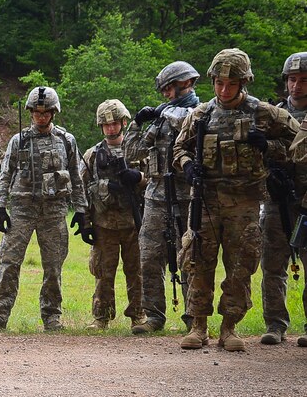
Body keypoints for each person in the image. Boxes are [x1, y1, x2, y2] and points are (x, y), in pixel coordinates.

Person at [173, 48, 299, 352]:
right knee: (198, 262)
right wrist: (188, 166)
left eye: (231, 84)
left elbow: (298, 143)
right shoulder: (201, 114)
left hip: (244, 203)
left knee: (241, 265)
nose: (224, 90)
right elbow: (178, 149)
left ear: (244, 83)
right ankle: (199, 326)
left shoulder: (263, 113)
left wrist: (268, 146)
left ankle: (229, 327)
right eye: (219, 83)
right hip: (206, 201)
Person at [0, 87, 88, 332]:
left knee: (53, 266)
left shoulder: (66, 140)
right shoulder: (18, 140)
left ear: (53, 113)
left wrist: (81, 209)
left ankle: (52, 316)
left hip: (54, 209)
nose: (41, 117)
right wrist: (0, 206)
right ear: (30, 112)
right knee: (9, 263)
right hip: (22, 208)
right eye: (37, 113)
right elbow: (5, 174)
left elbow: (76, 175)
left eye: (46, 113)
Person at [124, 61, 201, 334]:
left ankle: (194, 317)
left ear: (186, 83)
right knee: (148, 256)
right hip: (156, 196)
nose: (166, 94)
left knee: (189, 257)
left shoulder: (199, 113)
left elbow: (187, 123)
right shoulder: (161, 117)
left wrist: (165, 112)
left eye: (170, 88)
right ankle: (154, 315)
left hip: (187, 197)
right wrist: (137, 122)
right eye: (164, 89)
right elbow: (132, 152)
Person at [81, 99, 146, 330]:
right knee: (103, 272)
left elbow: (154, 181)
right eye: (106, 125)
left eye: (115, 123)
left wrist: (138, 178)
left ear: (124, 123)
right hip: (104, 223)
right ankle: (102, 317)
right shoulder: (92, 155)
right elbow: (83, 190)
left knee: (136, 271)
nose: (110, 128)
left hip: (134, 223)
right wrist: (85, 222)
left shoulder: (138, 151)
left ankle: (139, 315)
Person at [259, 52, 307, 345]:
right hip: (277, 201)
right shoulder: (273, 116)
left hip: (305, 202)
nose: (296, 86)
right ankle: (275, 324)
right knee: (272, 265)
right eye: (292, 79)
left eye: (303, 80)